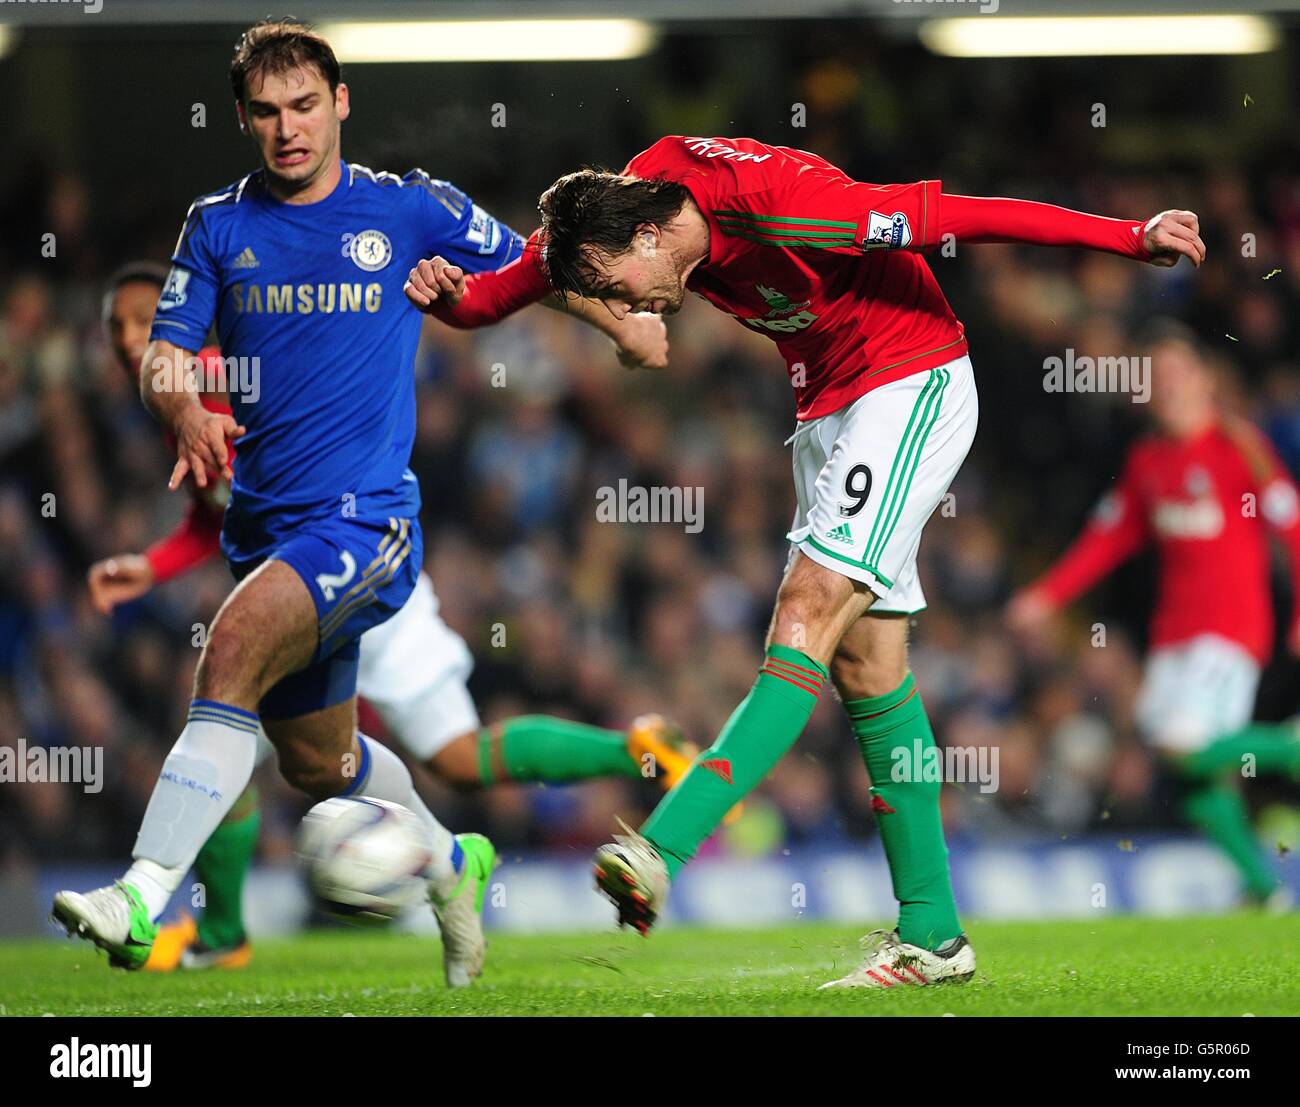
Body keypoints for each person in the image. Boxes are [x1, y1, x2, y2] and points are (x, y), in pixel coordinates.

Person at [403, 133, 1203, 987]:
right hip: (828, 406)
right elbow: (493, 300)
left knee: (805, 610)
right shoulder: (622, 208)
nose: (622, 308)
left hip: (911, 376)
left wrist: (1127, 235)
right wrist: (447, 297)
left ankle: (664, 844)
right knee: (866, 666)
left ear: (642, 241)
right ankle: (933, 936)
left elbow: (956, 217)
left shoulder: (781, 201)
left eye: (614, 290)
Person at [52, 19, 665, 987]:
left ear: (340, 104)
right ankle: (451, 859)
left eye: (304, 105)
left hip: (365, 522)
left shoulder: (410, 210)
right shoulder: (217, 225)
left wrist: (621, 320)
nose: (287, 128)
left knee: (230, 655)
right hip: (264, 532)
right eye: (266, 111)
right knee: (320, 768)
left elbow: (531, 265)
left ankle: (138, 894)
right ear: (244, 119)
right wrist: (179, 407)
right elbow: (165, 351)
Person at [91, 262, 690, 971]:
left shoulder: (238, 373)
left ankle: (209, 925)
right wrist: (152, 566)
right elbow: (214, 509)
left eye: (144, 319)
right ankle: (237, 923)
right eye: (116, 329)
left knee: (439, 758)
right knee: (276, 752)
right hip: (292, 600)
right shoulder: (180, 406)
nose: (131, 339)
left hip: (359, 582)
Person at [1008, 323, 1300, 908]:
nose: (1165, 386)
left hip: (1233, 630)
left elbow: (1292, 528)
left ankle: (1288, 748)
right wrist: (1048, 595)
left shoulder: (1239, 448)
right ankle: (1263, 886)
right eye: (1155, 376)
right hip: (1174, 634)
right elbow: (1108, 537)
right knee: (1188, 774)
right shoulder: (1146, 461)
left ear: (1203, 379)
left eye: (1176, 373)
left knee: (1180, 744)